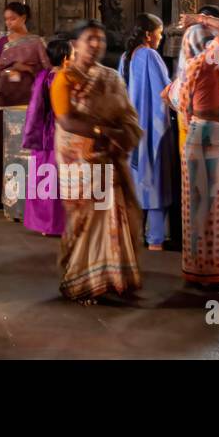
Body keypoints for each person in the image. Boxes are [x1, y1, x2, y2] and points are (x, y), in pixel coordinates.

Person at [50, 19, 144, 304]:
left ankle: (111, 278)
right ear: (74, 45)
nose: (95, 44)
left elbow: (127, 116)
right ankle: (80, 280)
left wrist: (121, 133)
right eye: (89, 38)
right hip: (77, 157)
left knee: (113, 214)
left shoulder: (111, 78)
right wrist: (103, 131)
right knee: (84, 218)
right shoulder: (64, 78)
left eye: (100, 39)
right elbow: (66, 120)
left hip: (108, 157)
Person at [165, 12, 219, 291]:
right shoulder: (206, 64)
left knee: (204, 209)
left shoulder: (191, 69)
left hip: (201, 139)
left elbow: (168, 94)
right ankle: (208, 273)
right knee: (214, 209)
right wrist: (200, 18)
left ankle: (204, 272)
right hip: (210, 141)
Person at [118, 13, 173, 250]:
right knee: (155, 177)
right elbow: (167, 91)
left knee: (135, 178)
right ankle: (156, 239)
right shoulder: (150, 55)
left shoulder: (125, 57)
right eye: (160, 35)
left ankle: (134, 234)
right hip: (150, 125)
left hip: (130, 126)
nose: (160, 40)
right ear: (149, 35)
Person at [0, 2, 51, 208]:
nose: (9, 23)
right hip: (7, 99)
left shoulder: (36, 42)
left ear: (24, 18)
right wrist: (11, 67)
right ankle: (10, 197)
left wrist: (27, 69)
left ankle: (31, 199)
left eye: (13, 18)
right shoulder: (3, 43)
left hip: (30, 100)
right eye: (6, 19)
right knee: (7, 147)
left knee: (28, 148)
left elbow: (47, 71)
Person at [172, 4, 219, 151]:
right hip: (213, 138)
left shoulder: (184, 76)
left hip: (193, 141)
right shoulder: (208, 63)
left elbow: (167, 96)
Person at [20, 38, 69, 237]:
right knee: (58, 181)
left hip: (43, 132)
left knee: (43, 179)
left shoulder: (44, 76)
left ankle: (43, 224)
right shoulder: (64, 78)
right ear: (66, 58)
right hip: (60, 131)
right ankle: (59, 224)